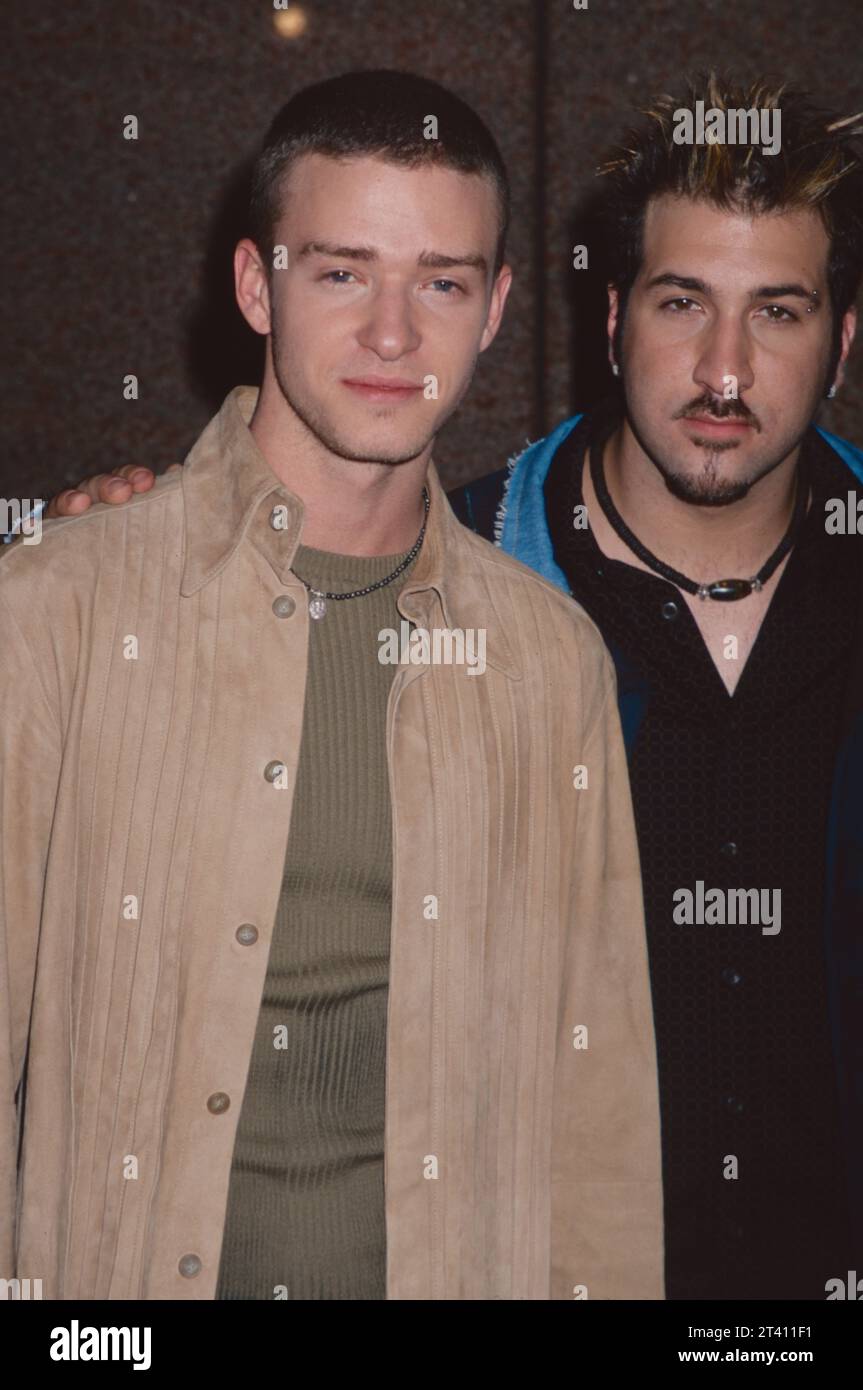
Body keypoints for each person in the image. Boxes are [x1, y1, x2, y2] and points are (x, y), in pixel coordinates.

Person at [51, 69, 863, 1303]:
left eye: (781, 312)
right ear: (607, 321)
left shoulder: (537, 635)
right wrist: (106, 566)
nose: (724, 367)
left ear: (843, 341)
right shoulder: (484, 579)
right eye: (681, 300)